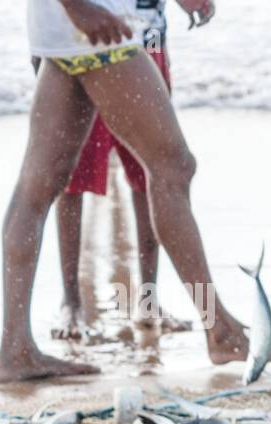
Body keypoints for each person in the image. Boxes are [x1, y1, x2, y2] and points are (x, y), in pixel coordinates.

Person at [0, 0, 271, 382]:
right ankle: (220, 330)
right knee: (173, 167)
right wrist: (78, 7)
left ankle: (14, 350)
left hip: (69, 32)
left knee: (37, 187)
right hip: (94, 30)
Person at [50, 0, 184, 337]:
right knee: (73, 178)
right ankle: (71, 302)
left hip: (148, 39)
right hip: (85, 42)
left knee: (152, 173)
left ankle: (149, 301)